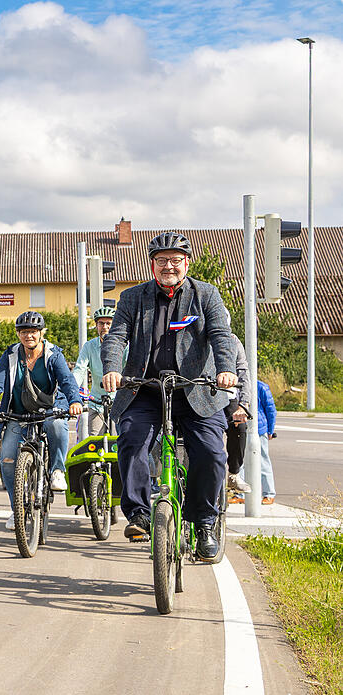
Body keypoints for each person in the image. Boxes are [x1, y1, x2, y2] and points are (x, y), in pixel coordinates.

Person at [101, 232, 237, 561]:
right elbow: (117, 336)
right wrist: (111, 368)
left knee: (211, 452)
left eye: (175, 260)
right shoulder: (133, 298)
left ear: (186, 263)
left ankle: (204, 522)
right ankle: (139, 514)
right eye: (162, 261)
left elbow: (221, 335)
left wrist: (226, 369)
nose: (169, 266)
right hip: (146, 388)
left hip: (196, 389)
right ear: (152, 265)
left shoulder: (206, 295)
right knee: (131, 439)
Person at [0, 312, 83, 530]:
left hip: (50, 410)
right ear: (18, 333)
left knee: (55, 424)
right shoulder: (12, 355)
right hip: (19, 413)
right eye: (24, 331)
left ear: (41, 333)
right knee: (7, 459)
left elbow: (66, 380)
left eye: (33, 331)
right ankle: (17, 509)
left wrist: (74, 401)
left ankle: (56, 470)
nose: (29, 336)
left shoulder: (53, 355)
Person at [72, 306, 126, 436]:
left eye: (109, 323)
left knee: (118, 444)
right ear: (96, 325)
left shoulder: (124, 346)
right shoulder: (89, 346)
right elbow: (79, 369)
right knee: (95, 443)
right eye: (101, 323)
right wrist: (71, 391)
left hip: (119, 402)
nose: (105, 327)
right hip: (96, 402)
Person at [224, 334, 253, 502]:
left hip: (228, 397)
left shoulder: (233, 340)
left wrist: (244, 404)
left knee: (240, 426)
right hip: (199, 396)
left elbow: (243, 371)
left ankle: (234, 474)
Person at [255, 380, 277, 505]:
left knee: (263, 461)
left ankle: (269, 493)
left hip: (259, 429)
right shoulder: (239, 384)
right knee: (241, 462)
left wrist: (270, 430)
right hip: (242, 427)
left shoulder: (262, 387)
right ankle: (239, 494)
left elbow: (271, 410)